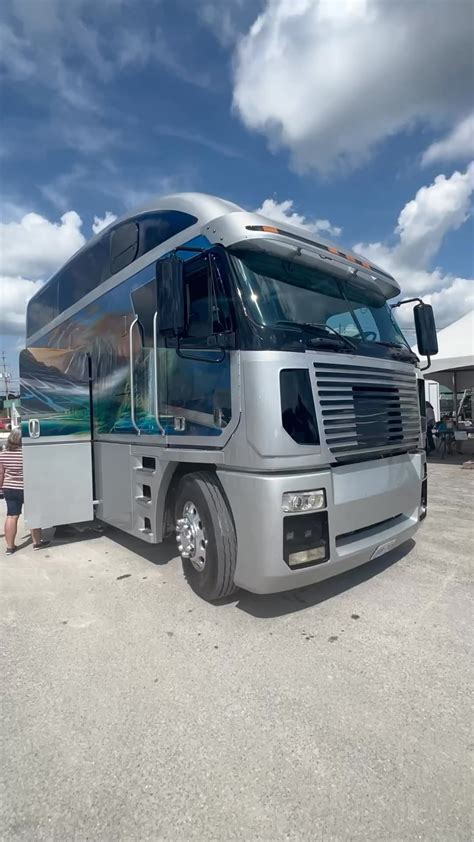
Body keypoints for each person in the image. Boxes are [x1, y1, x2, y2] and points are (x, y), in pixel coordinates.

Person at [0, 429, 50, 555]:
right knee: (33, 515)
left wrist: (1, 488)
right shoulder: (28, 454)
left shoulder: (3, 454)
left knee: (12, 516)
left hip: (10, 488)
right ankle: (37, 543)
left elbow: (1, 473)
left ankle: (10, 547)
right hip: (29, 488)